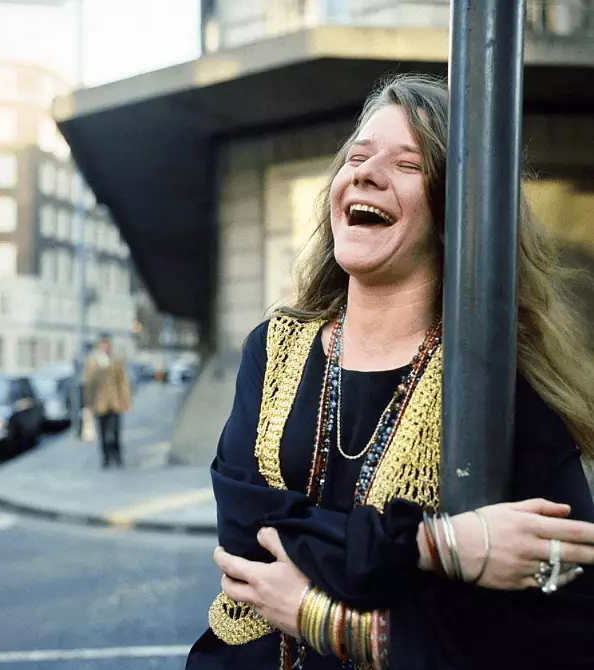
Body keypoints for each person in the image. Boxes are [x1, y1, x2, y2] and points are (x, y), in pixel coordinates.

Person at [186, 74, 594, 669]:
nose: (366, 171)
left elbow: (563, 631)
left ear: (458, 208)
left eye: (408, 164)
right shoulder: (274, 350)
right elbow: (252, 532)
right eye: (357, 155)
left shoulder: (507, 386)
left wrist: (315, 616)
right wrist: (441, 546)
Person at [83, 334, 131, 468]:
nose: (106, 347)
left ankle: (117, 455)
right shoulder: (94, 362)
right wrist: (89, 404)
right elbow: (89, 384)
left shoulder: (116, 361)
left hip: (115, 402)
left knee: (115, 431)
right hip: (100, 403)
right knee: (103, 432)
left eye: (107, 344)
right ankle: (105, 457)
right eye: (103, 344)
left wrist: (125, 400)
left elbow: (123, 382)